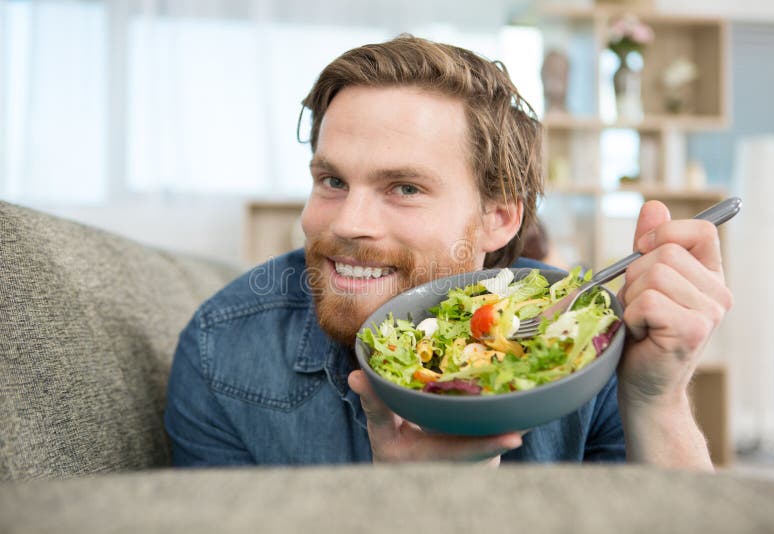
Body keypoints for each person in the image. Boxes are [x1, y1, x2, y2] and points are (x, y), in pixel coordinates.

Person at [164, 35, 732, 470]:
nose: (347, 223)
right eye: (332, 181)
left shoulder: (584, 342)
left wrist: (657, 399)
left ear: (499, 218)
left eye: (404, 188)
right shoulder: (222, 354)